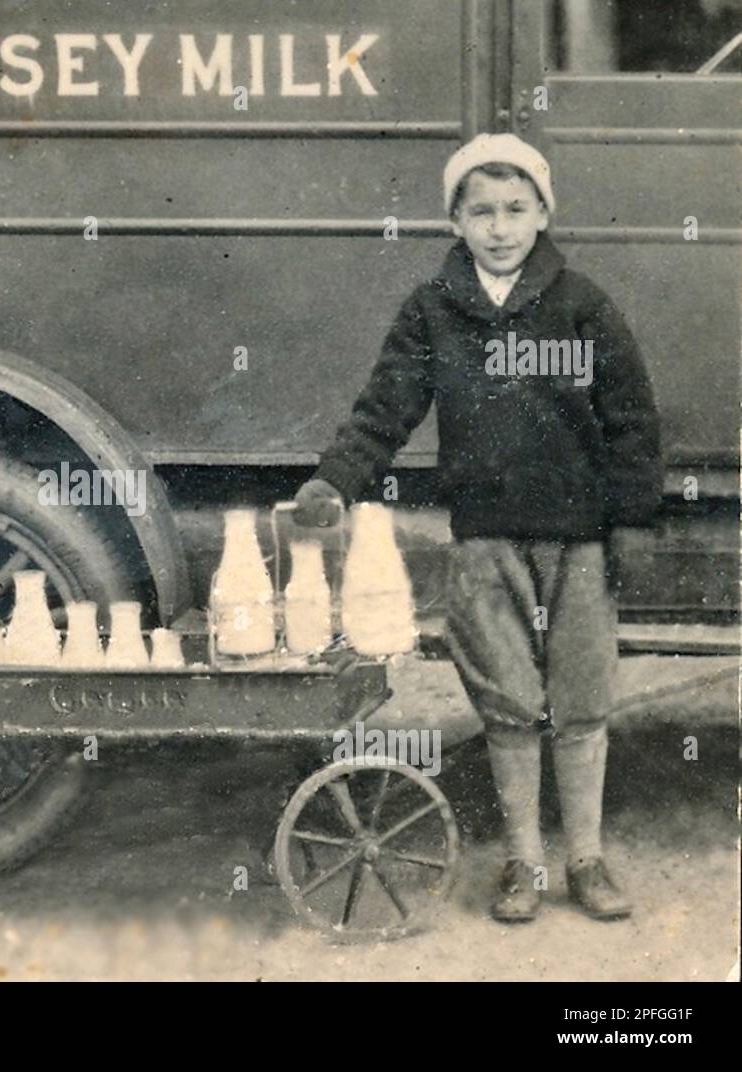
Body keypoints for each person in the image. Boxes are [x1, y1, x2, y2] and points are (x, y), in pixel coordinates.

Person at [294, 134, 662, 922]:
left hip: (578, 538)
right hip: (487, 539)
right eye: (481, 211)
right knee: (508, 701)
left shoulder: (582, 305)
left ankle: (586, 860)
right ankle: (525, 863)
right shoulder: (434, 312)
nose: (500, 226)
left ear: (542, 215)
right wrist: (335, 480)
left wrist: (631, 517)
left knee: (582, 697)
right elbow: (384, 408)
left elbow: (631, 418)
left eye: (516, 209)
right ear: (456, 220)